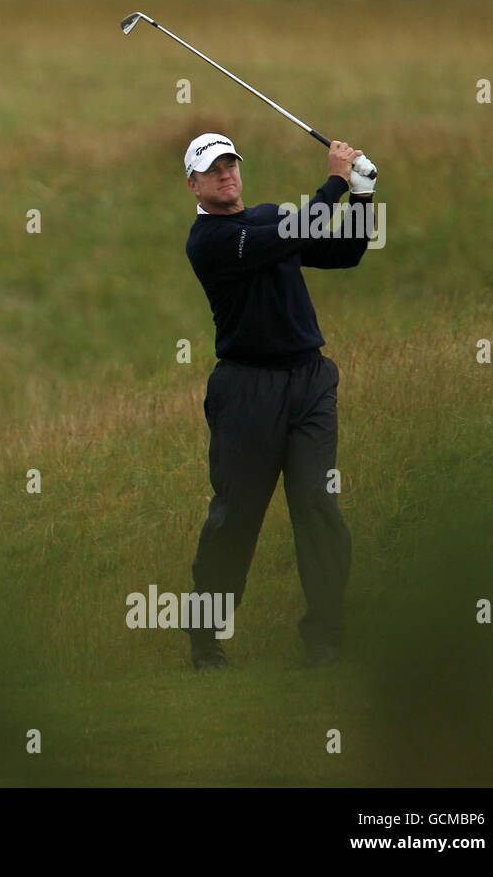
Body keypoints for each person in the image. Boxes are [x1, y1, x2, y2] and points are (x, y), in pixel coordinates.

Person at [181, 132, 377, 670]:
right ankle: (205, 639)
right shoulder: (210, 241)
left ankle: (325, 637)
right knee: (237, 517)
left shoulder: (268, 219)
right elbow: (296, 229)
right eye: (213, 169)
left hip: (310, 382)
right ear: (193, 184)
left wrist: (362, 195)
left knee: (317, 504)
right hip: (247, 390)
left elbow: (343, 252)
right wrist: (335, 179)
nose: (226, 175)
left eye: (231, 165)